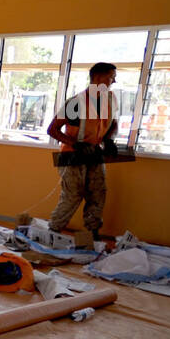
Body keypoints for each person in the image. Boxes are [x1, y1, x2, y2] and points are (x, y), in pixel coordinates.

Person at [46, 62, 119, 240]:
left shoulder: (110, 99)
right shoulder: (76, 103)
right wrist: (75, 143)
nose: (114, 80)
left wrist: (109, 140)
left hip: (94, 154)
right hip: (72, 155)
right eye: (111, 76)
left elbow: (113, 123)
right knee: (72, 196)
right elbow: (52, 130)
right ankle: (52, 233)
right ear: (98, 78)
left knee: (98, 193)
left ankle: (92, 235)